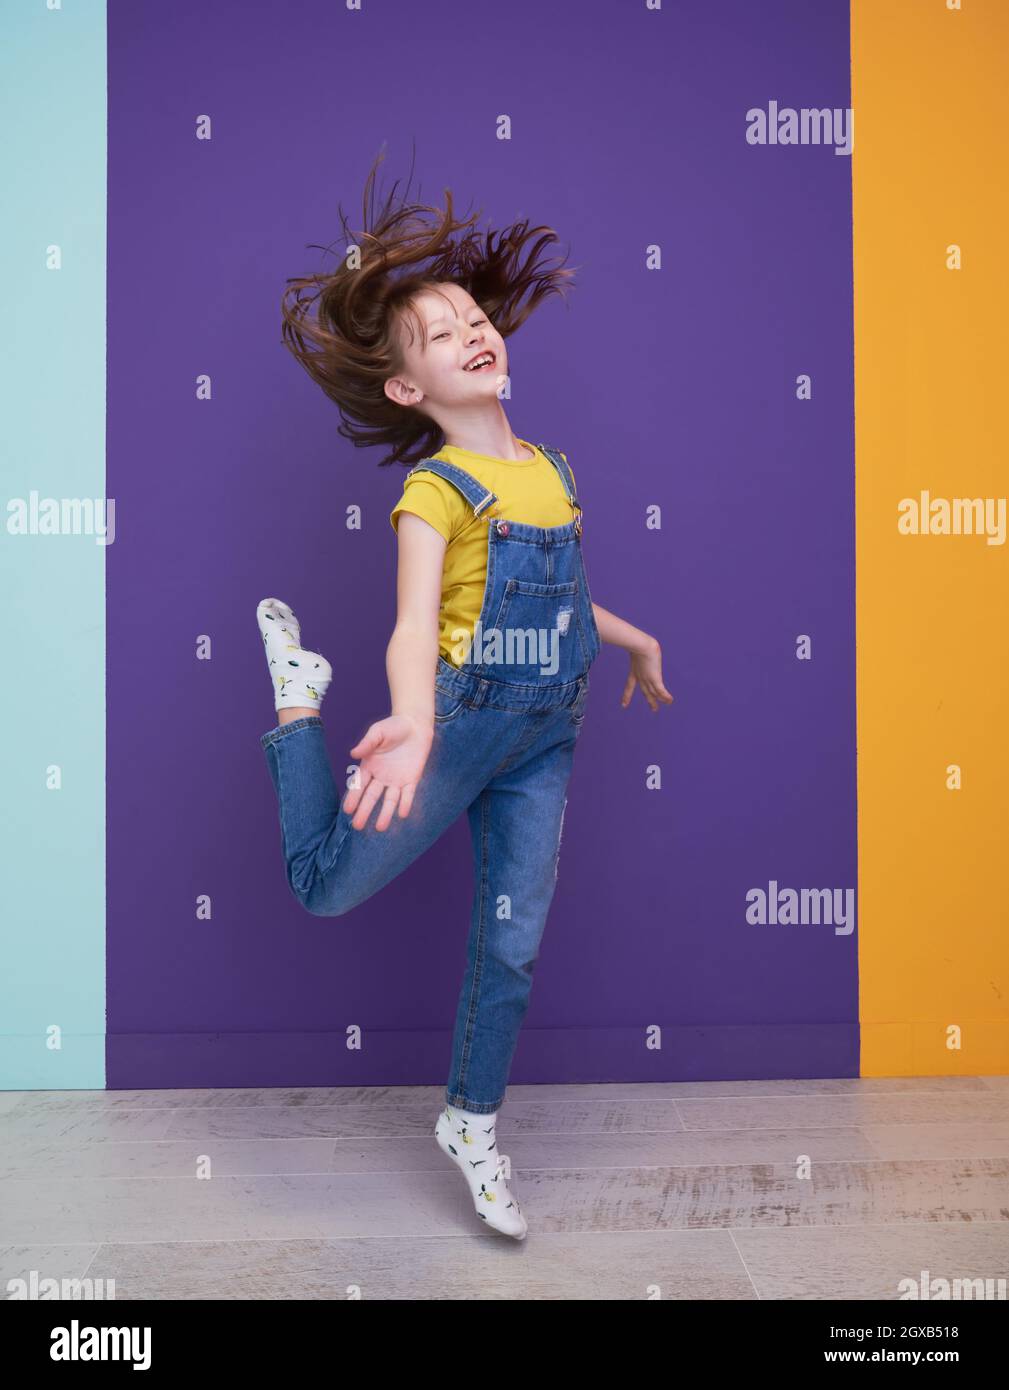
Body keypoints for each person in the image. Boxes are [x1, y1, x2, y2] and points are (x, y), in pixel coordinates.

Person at [257, 152, 673, 1239]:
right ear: (408, 388)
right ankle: (297, 705)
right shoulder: (433, 491)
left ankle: (472, 1122)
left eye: (471, 316)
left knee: (513, 940)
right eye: (440, 335)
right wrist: (413, 722)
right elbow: (410, 627)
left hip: (545, 735)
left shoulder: (557, 469)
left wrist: (634, 644)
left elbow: (567, 605)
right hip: (455, 717)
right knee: (324, 888)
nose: (472, 331)